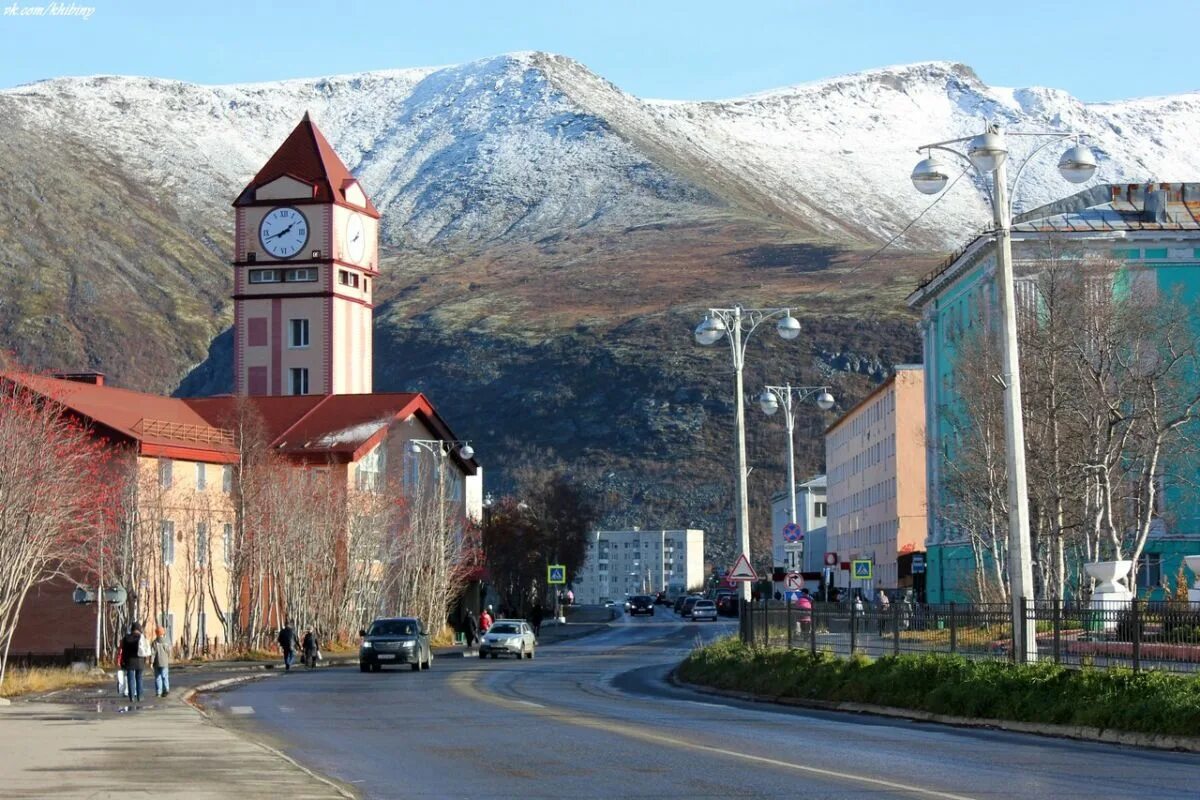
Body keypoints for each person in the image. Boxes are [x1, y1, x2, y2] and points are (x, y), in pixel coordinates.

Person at [119, 622, 148, 703]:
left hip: (129, 661)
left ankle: (131, 697)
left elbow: (123, 651)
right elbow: (145, 650)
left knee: (130, 679)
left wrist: (123, 661)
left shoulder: (126, 638)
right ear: (139, 629)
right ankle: (140, 696)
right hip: (139, 661)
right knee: (139, 679)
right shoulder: (141, 638)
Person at [151, 626, 171, 698]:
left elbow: (153, 653)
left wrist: (151, 662)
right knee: (165, 676)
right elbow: (169, 652)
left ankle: (159, 692)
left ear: (156, 633)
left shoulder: (155, 642)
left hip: (156, 663)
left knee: (158, 677)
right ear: (163, 633)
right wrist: (167, 658)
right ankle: (166, 689)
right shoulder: (167, 642)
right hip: (165, 662)